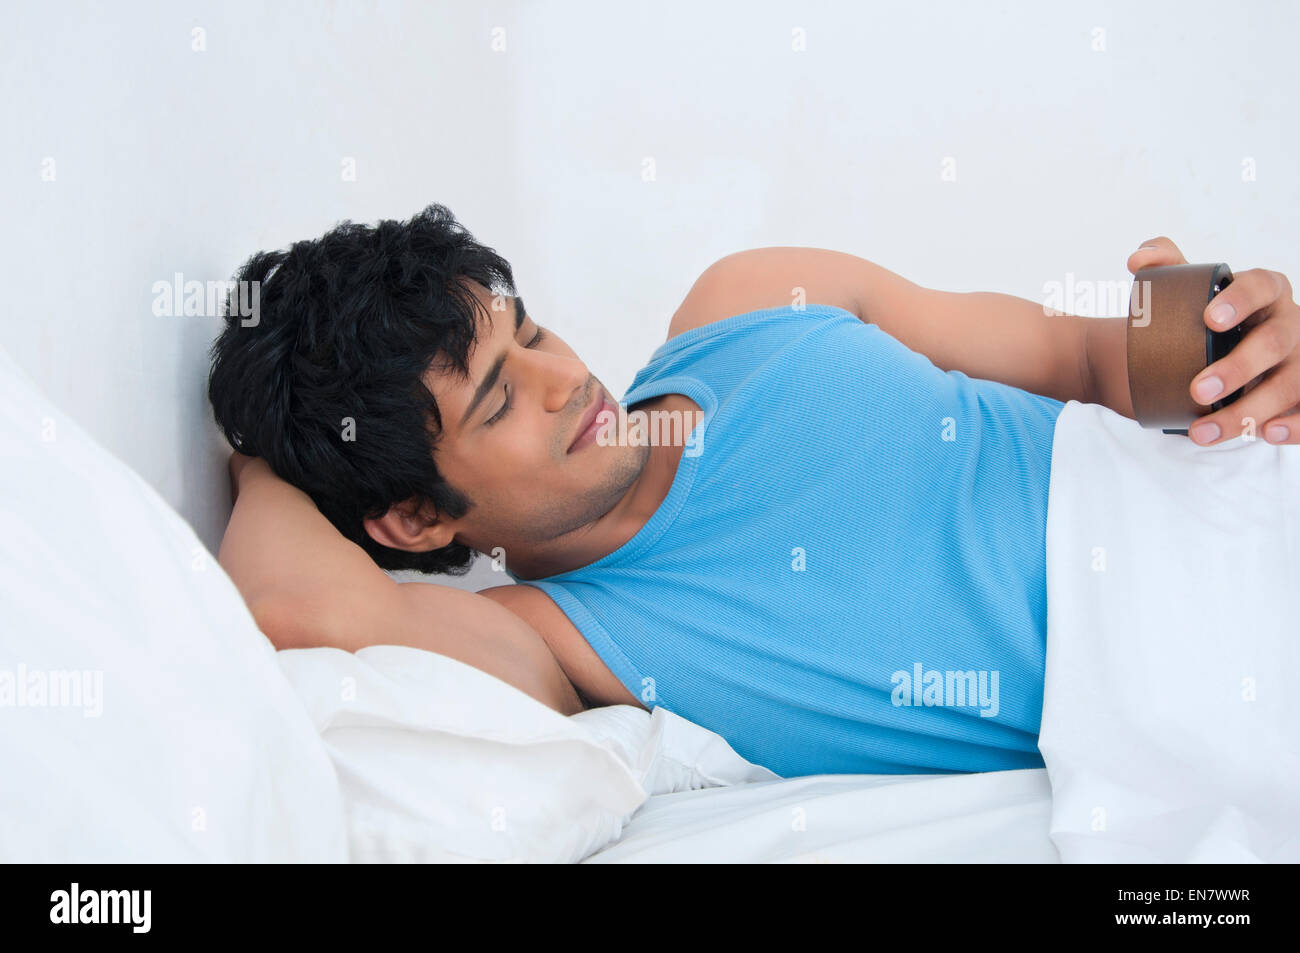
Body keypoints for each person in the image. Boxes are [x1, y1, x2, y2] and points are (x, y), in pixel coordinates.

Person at [208, 203, 1300, 777]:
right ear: (415, 517)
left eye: (531, 331)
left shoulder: (752, 302)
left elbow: (1082, 359)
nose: (564, 379)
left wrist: (1227, 329)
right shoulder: (557, 643)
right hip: (1209, 667)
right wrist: (263, 444)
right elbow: (293, 606)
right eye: (498, 401)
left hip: (1243, 491)